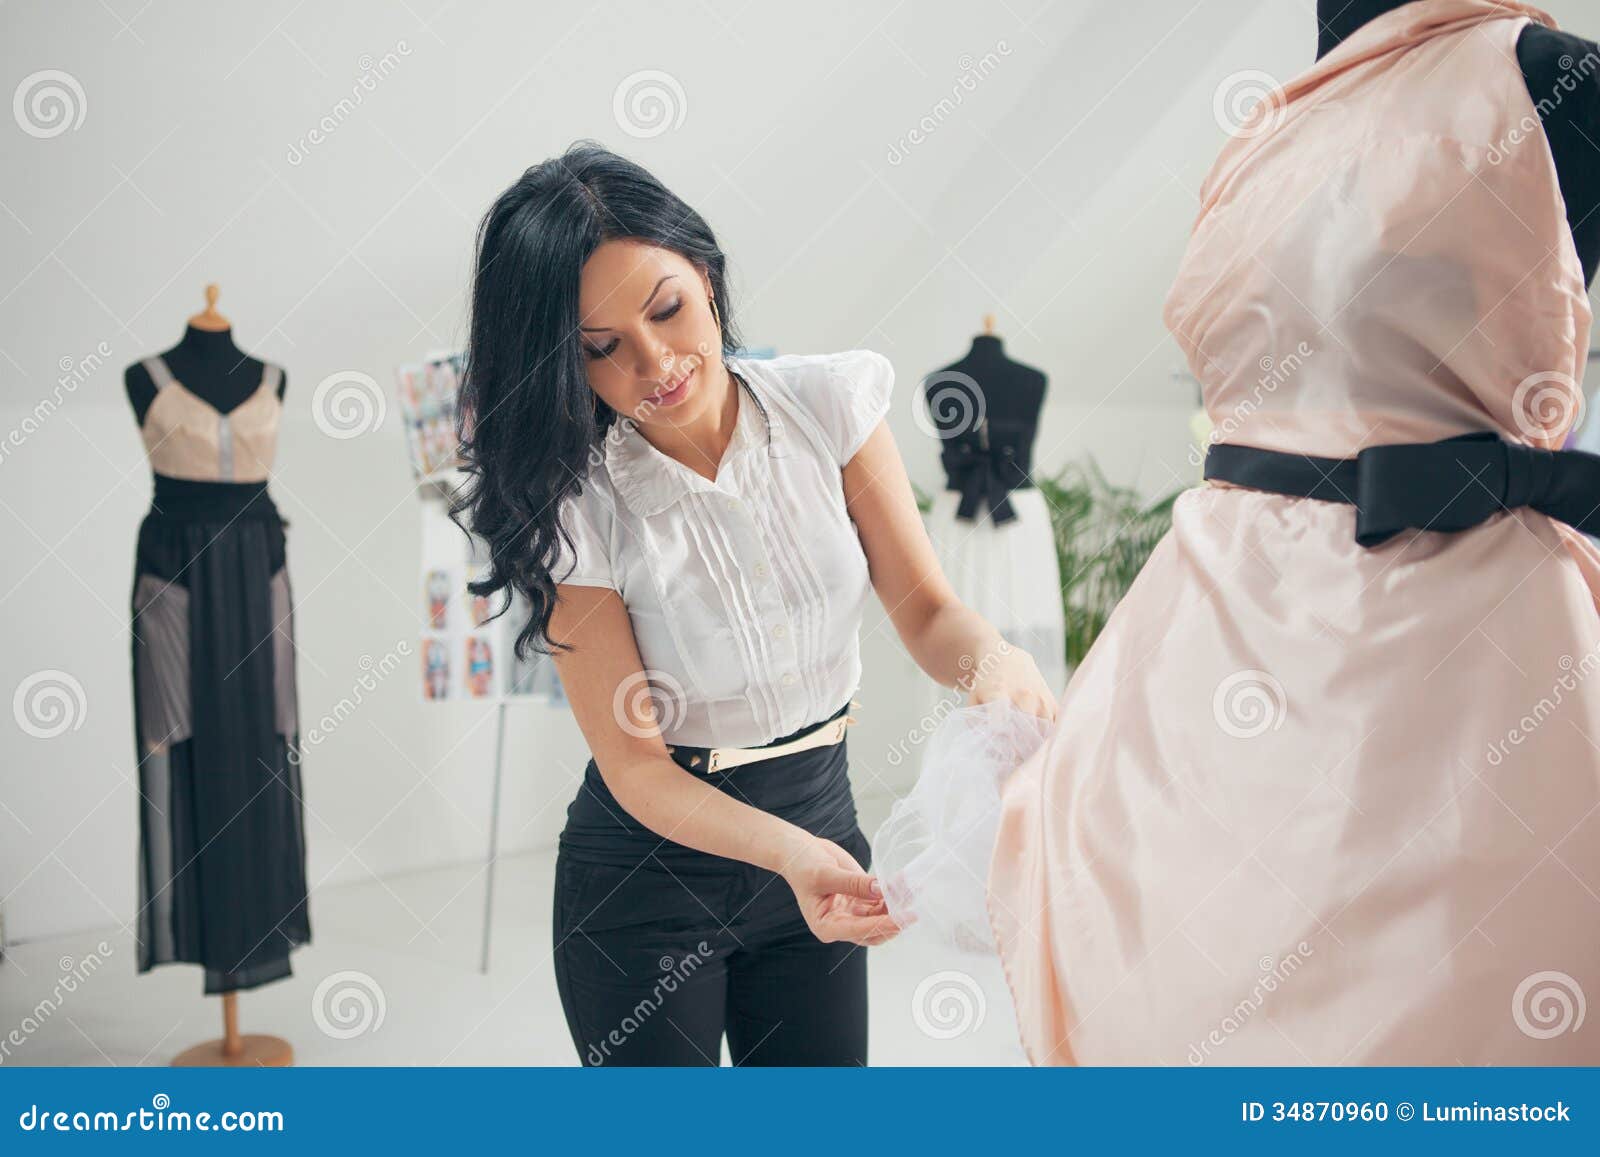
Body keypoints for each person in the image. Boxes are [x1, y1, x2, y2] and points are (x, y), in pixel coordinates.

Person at [988, 0, 1600, 1065]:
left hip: (1450, 656)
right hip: (1206, 632)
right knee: (1174, 981)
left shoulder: (1554, 81)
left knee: (1436, 1015)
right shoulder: (1265, 124)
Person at [452, 141, 1058, 1066]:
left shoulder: (828, 406)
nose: (655, 363)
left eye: (668, 309)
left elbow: (928, 610)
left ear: (705, 271)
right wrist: (788, 852)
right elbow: (638, 769)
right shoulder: (577, 499)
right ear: (563, 366)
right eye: (603, 350)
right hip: (646, 888)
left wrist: (996, 661)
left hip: (820, 825)